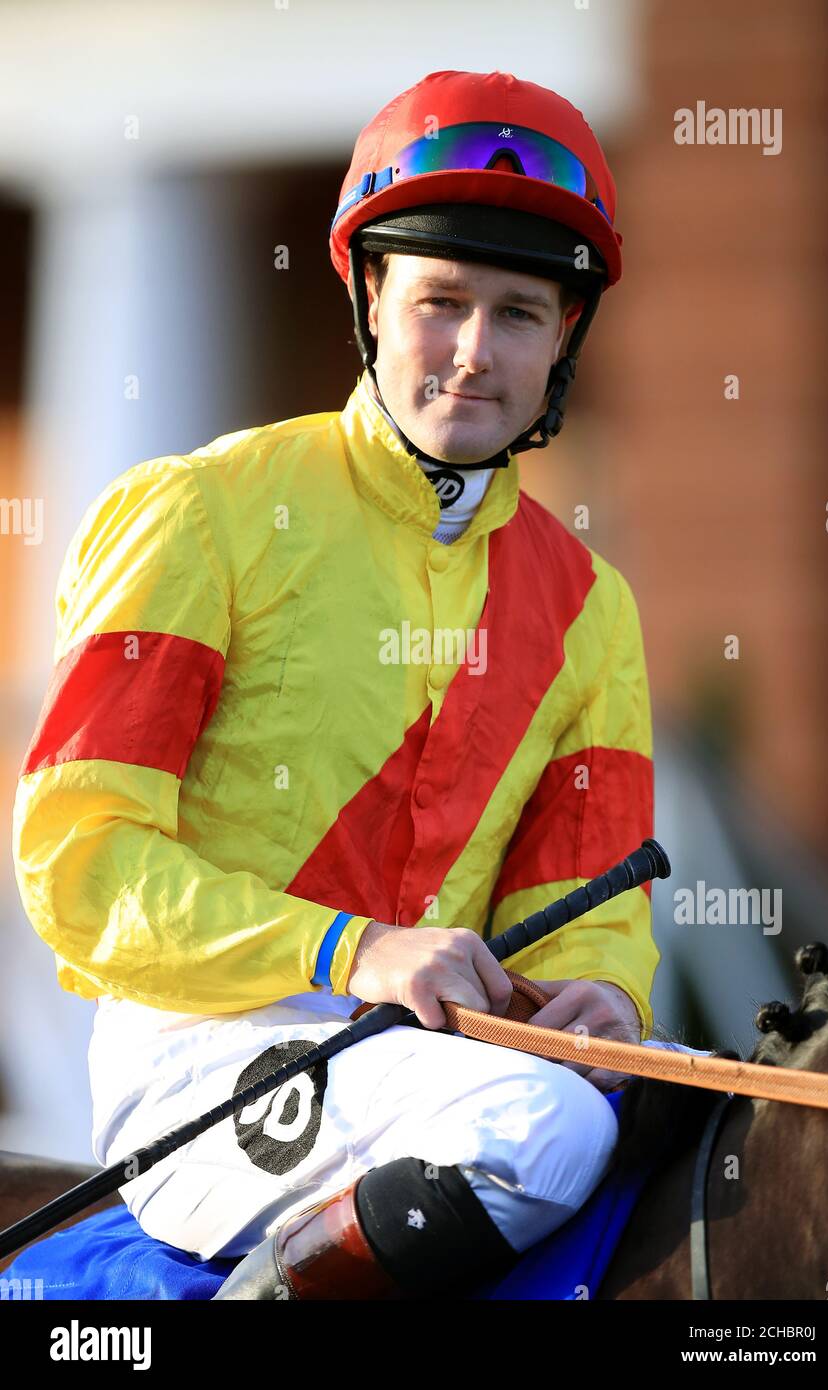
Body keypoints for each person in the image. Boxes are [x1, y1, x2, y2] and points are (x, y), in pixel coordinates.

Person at [11, 69, 707, 1301]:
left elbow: (585, 905)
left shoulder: (592, 609)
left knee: (687, 1113)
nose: (474, 354)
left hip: (437, 1058)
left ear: (564, 341)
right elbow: (81, 861)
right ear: (368, 295)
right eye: (440, 302)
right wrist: (352, 950)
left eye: (519, 314)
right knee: (537, 1128)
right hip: (199, 1050)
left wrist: (599, 993)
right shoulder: (200, 513)